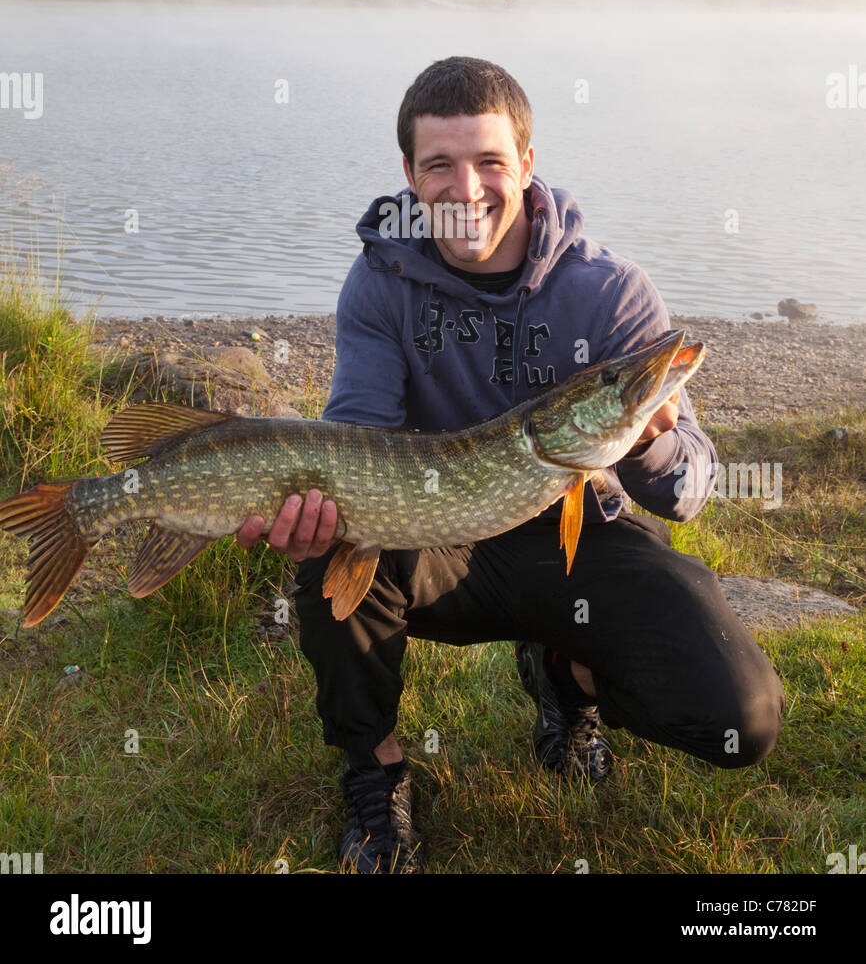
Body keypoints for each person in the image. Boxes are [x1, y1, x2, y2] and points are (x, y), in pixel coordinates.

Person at [236, 56, 786, 874]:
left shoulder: (611, 291)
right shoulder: (380, 284)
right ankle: (376, 769)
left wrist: (645, 438)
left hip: (578, 539)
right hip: (434, 541)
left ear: (526, 164)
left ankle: (567, 676)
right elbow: (358, 439)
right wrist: (322, 511)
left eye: (489, 161)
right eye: (440, 166)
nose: (466, 189)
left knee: (743, 715)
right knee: (329, 562)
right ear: (410, 176)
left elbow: (687, 492)